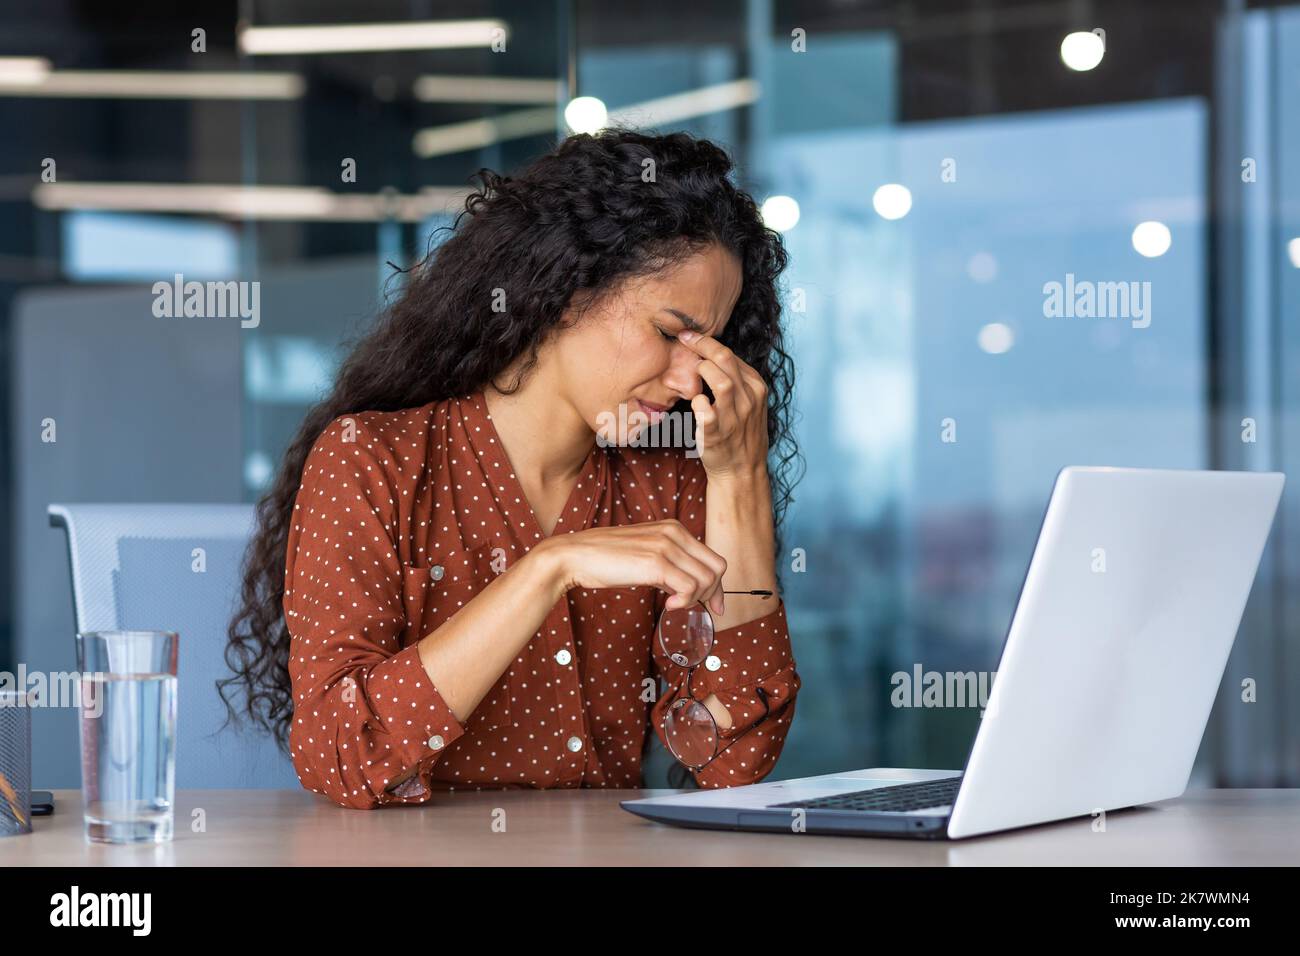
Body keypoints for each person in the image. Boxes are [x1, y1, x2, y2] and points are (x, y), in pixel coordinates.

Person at [220, 127, 802, 809]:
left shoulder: (668, 480)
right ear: (565, 290)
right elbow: (341, 754)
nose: (687, 378)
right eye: (671, 333)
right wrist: (549, 568)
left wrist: (739, 481)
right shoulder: (373, 459)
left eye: (707, 347)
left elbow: (735, 760)